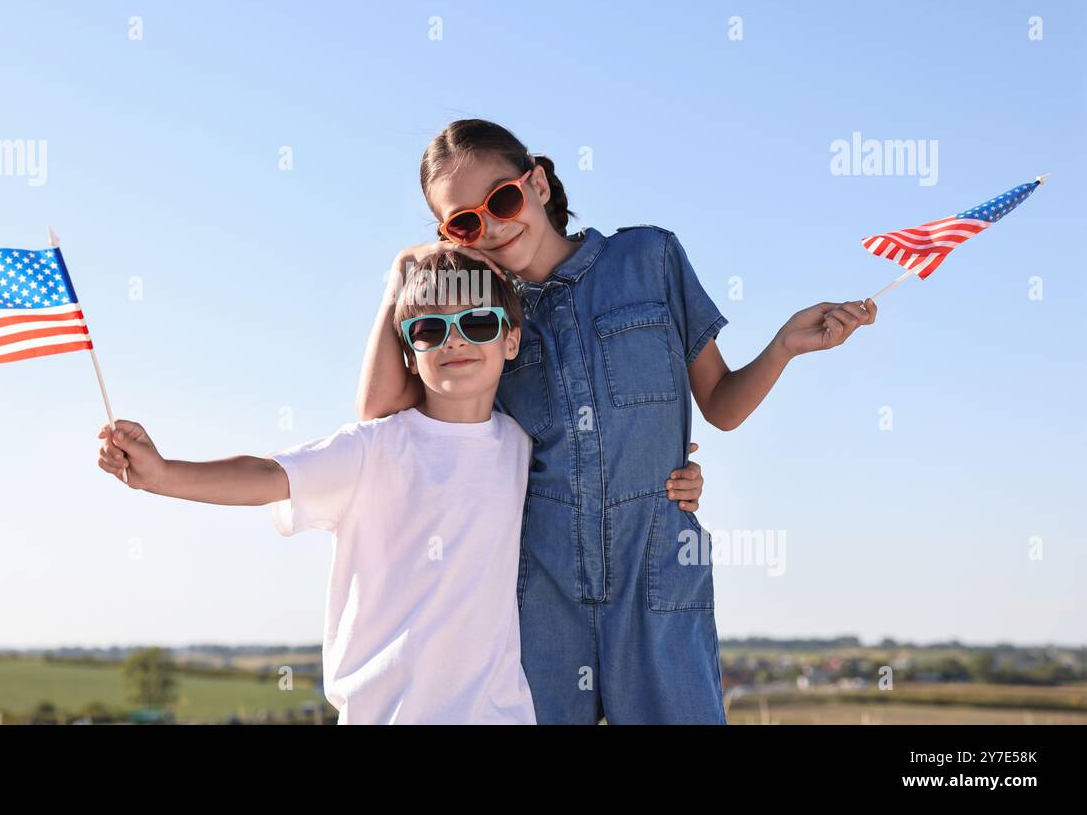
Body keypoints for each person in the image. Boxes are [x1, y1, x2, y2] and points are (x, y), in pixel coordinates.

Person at [356, 119, 877, 724]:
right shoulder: (481, 322)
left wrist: (784, 345)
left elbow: (723, 406)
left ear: (540, 184)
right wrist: (400, 276)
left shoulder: (649, 258)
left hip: (657, 574)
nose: (494, 227)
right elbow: (380, 414)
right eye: (465, 222)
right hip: (536, 589)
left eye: (502, 199)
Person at [96, 249, 705, 723]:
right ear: (409, 354)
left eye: (476, 321)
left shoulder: (524, 448)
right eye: (429, 331)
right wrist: (165, 475)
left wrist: (671, 480)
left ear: (512, 339)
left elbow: (600, 476)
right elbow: (267, 474)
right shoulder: (373, 449)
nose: (455, 340)